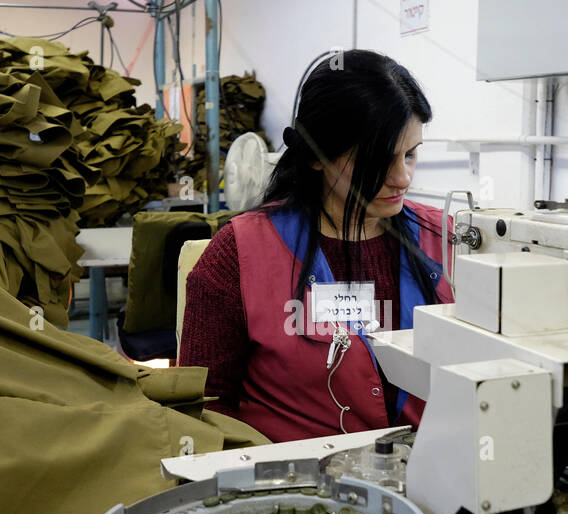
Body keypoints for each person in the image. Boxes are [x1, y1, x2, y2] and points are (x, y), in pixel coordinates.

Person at [179, 50, 453, 443]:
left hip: (431, 471)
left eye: (411, 154)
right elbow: (204, 405)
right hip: (296, 483)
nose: (402, 178)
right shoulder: (241, 253)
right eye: (378, 160)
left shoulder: (445, 238)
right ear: (316, 157)